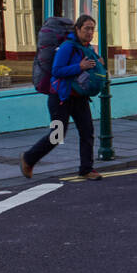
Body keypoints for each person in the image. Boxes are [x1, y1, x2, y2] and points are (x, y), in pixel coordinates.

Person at [21, 14, 103, 180]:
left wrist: (98, 63)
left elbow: (92, 70)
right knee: (57, 135)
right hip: (60, 99)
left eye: (92, 29)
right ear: (77, 29)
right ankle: (28, 158)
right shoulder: (67, 47)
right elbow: (56, 71)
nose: (90, 32)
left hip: (79, 98)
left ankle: (86, 169)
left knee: (87, 132)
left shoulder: (88, 48)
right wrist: (79, 66)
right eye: (86, 28)